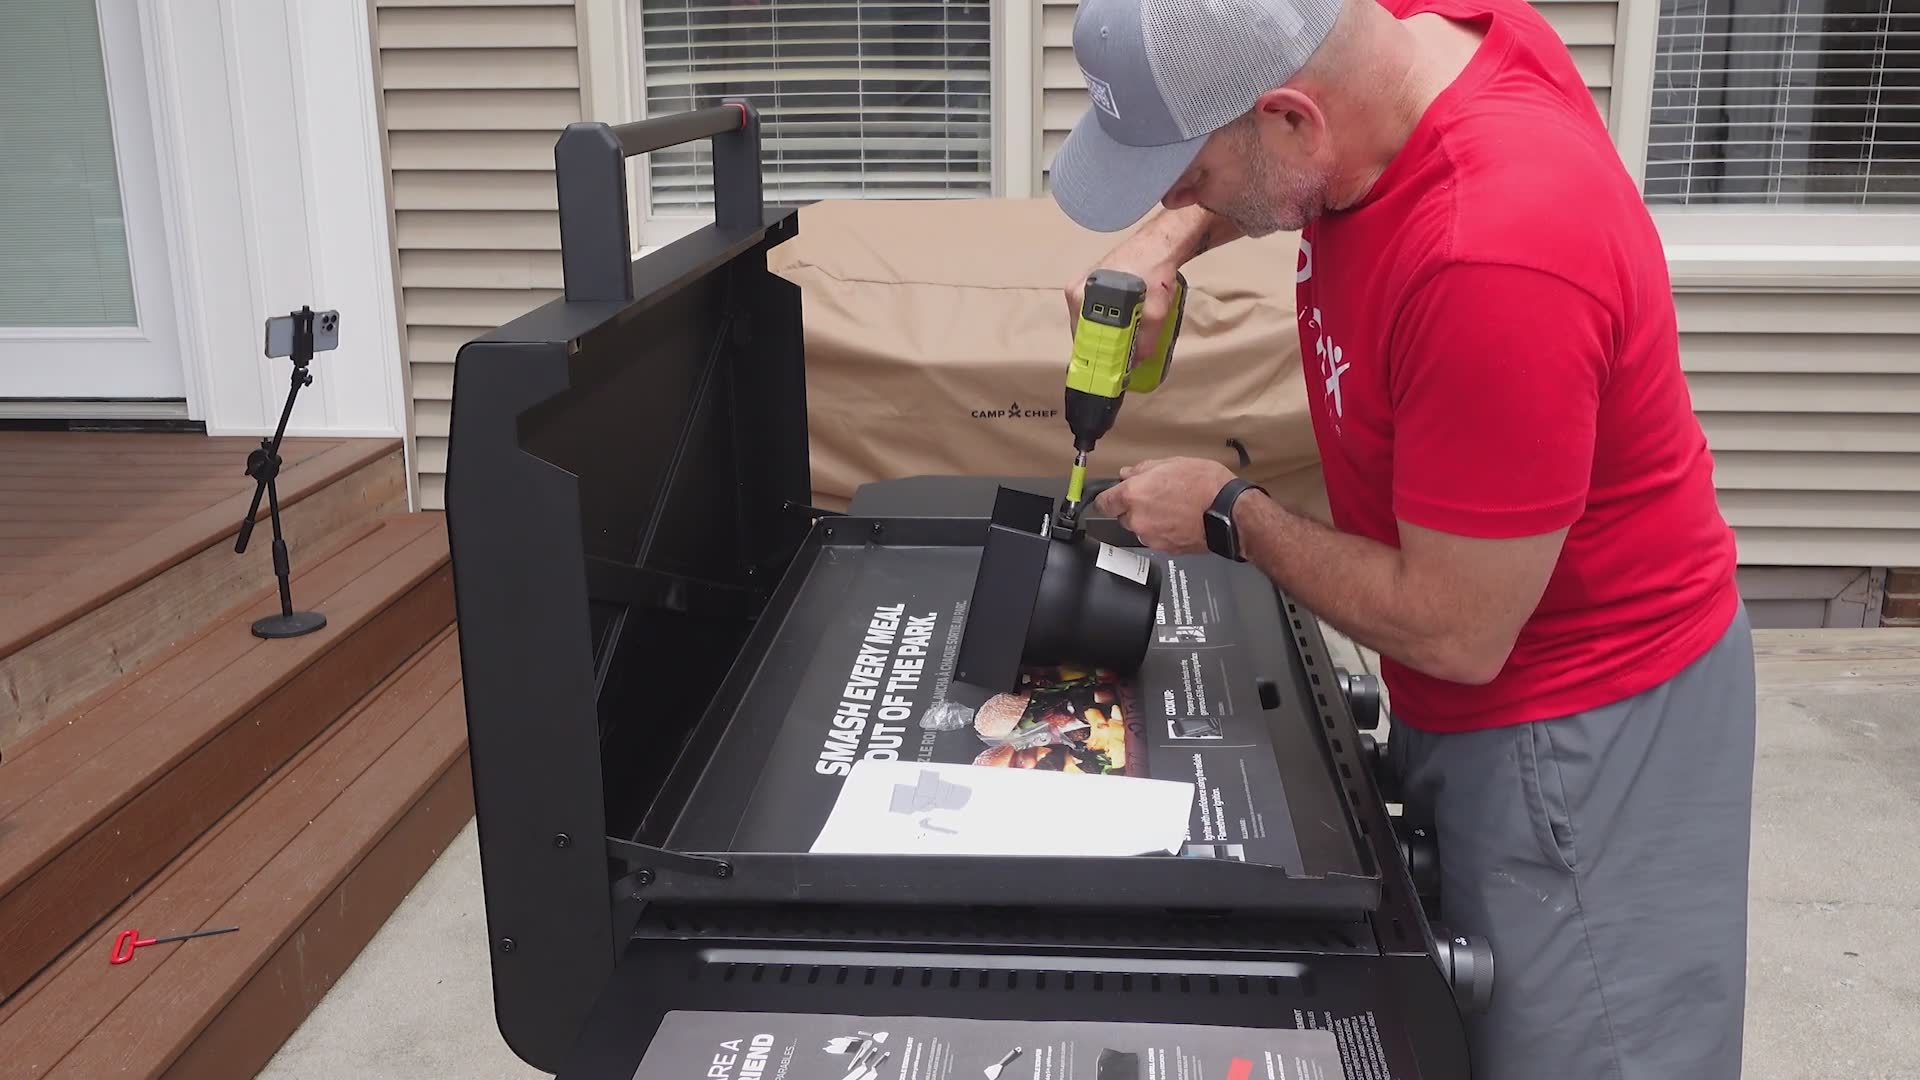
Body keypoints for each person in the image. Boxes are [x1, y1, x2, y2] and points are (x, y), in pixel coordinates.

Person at [1049, 0, 1758, 1077]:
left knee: (1585, 1052)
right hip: (1468, 662)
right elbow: (1295, 112)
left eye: (1184, 173)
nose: (1173, 197)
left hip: (1578, 718)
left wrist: (1229, 515)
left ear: (1293, 120)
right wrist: (1171, 234)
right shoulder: (1406, 43)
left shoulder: (1497, 252)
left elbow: (1458, 629)